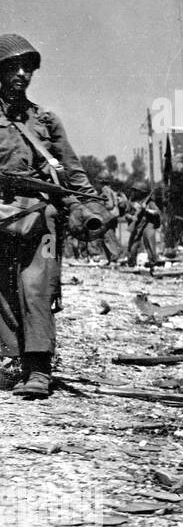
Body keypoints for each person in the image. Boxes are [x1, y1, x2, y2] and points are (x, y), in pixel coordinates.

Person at [0, 33, 107, 397]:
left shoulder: (45, 120)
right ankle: (14, 359)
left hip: (39, 216)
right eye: (13, 66)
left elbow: (74, 174)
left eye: (28, 67)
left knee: (37, 287)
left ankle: (39, 371)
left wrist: (91, 208)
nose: (22, 74)